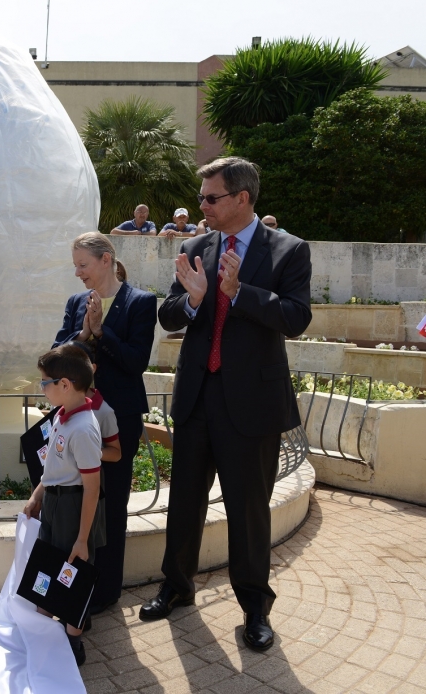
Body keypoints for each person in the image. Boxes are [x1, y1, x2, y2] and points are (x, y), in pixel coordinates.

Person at [146, 157, 312, 653]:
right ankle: (176, 586)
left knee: (248, 512)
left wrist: (240, 293)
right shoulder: (196, 246)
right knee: (185, 504)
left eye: (210, 197)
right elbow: (169, 313)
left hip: (252, 405)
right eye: (201, 198)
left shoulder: (288, 250)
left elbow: (296, 317)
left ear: (242, 198)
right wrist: (194, 301)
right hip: (198, 399)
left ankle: (255, 607)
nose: (202, 206)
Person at [53, 232, 157, 614]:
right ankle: (73, 580)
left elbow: (135, 361)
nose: (78, 273)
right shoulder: (75, 302)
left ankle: (106, 589)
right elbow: (57, 356)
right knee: (76, 500)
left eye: (83, 264)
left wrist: (102, 331)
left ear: (105, 259)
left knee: (111, 503)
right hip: (77, 418)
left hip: (119, 420)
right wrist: (82, 333)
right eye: (76, 266)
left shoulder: (141, 302)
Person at [23, 345, 102, 666]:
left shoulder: (83, 429)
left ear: (65, 385)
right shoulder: (62, 415)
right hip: (55, 503)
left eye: (45, 383)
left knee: (74, 568)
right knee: (50, 561)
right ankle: (46, 621)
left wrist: (83, 538)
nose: (42, 388)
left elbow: (92, 489)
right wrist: (38, 494)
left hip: (73, 508)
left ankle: (73, 638)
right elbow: (53, 467)